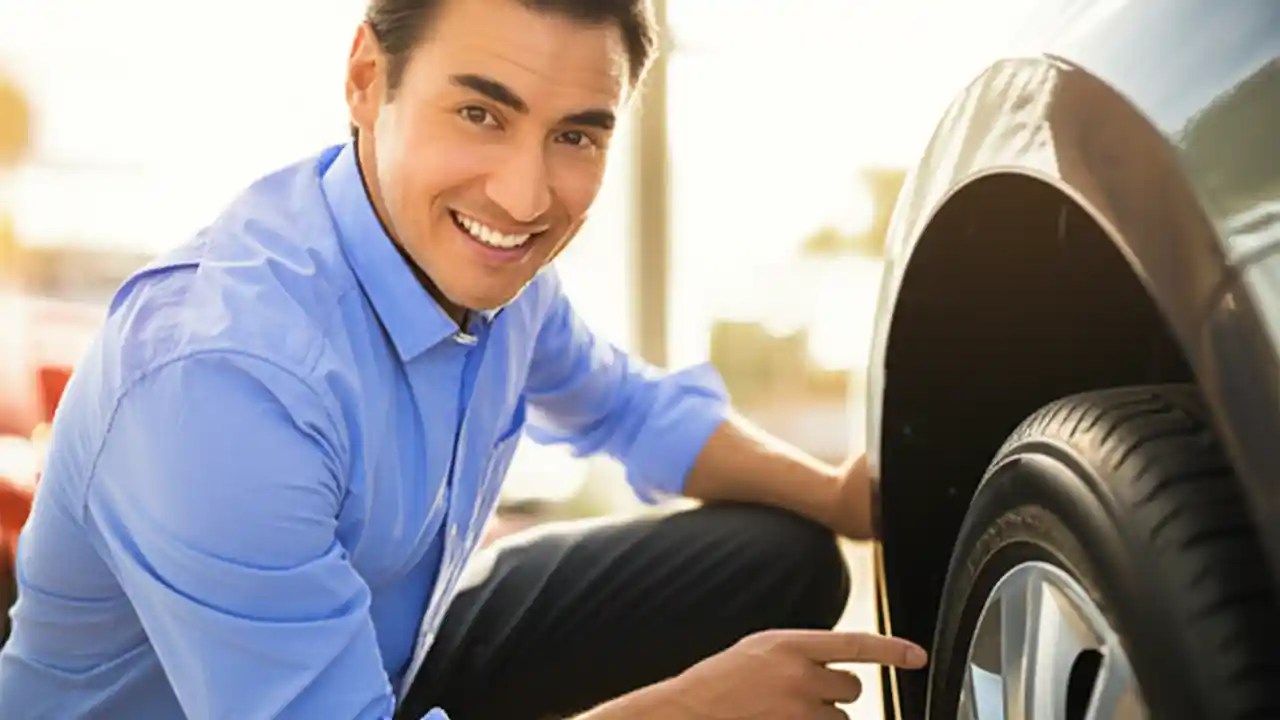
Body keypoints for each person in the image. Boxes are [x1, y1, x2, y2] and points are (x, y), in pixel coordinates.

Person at [0, 0, 928, 717]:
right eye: (482, 113)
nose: (526, 197)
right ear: (367, 77)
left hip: (385, 656)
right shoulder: (221, 380)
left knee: (779, 564)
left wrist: (839, 496)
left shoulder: (491, 273)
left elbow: (630, 411)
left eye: (576, 135)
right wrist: (682, 708)